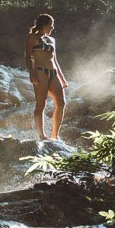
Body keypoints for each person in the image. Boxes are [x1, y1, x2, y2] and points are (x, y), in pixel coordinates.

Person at [25, 12, 68, 140]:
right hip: (40, 72)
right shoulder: (32, 37)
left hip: (53, 72)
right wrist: (32, 74)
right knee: (40, 105)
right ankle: (42, 136)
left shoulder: (52, 40)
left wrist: (62, 77)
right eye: (51, 25)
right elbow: (27, 57)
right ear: (43, 25)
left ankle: (55, 135)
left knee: (61, 103)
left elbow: (55, 60)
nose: (52, 28)